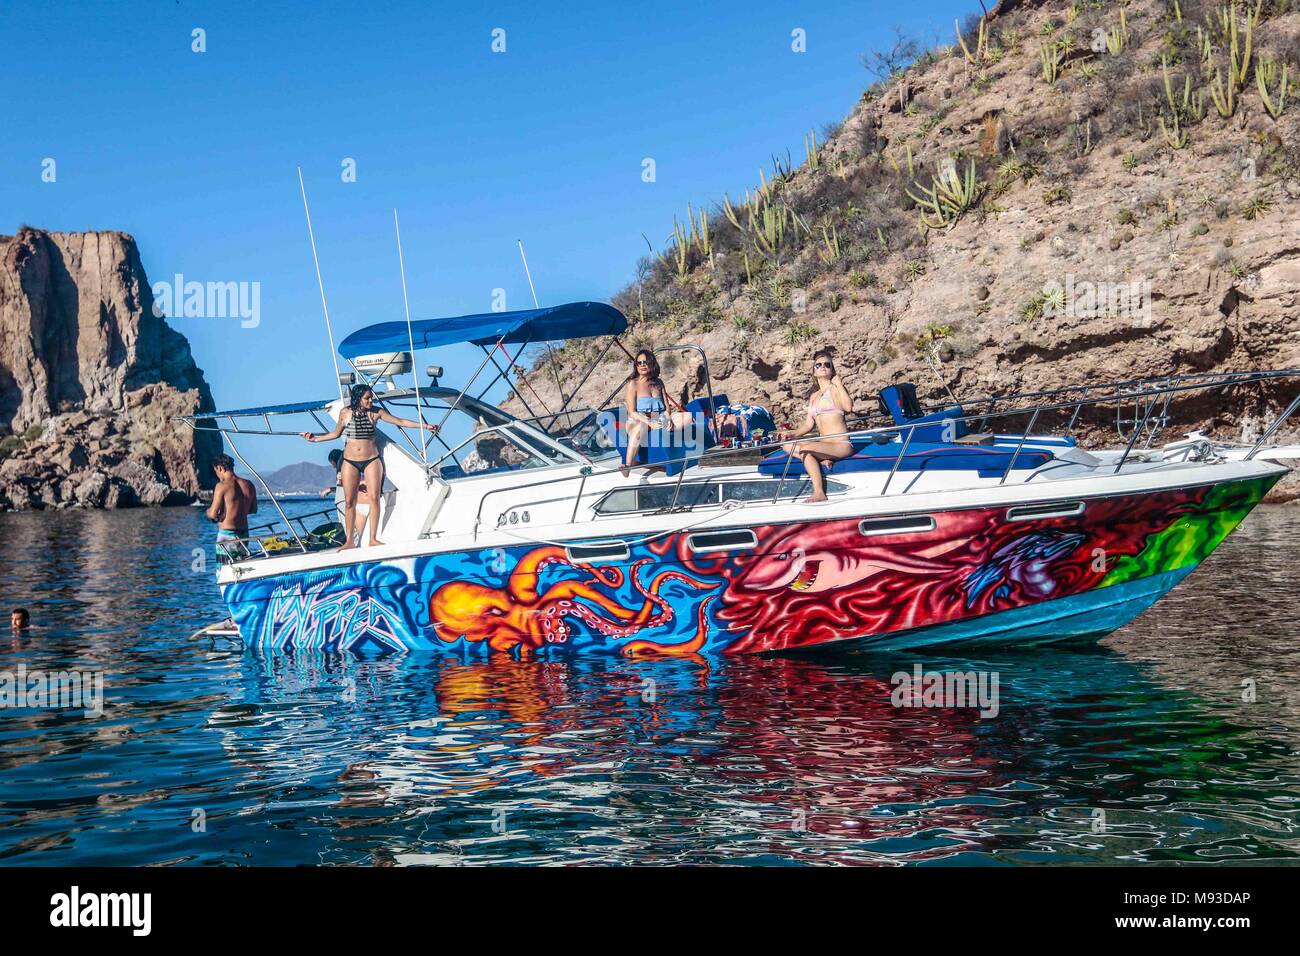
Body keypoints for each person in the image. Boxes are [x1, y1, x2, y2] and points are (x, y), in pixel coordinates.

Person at [301, 383, 438, 550]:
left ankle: (373, 539)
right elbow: (335, 434)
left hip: (372, 459)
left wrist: (425, 426)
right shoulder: (345, 413)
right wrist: (315, 439)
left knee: (374, 498)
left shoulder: (376, 412)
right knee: (350, 501)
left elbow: (400, 421)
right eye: (367, 398)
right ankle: (349, 541)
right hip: (350, 461)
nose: (370, 400)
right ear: (358, 399)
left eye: (371, 397)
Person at [777, 350, 854, 503]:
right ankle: (821, 459)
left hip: (840, 445)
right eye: (819, 365)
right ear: (814, 371)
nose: (823, 367)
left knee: (805, 449)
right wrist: (792, 434)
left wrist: (839, 384)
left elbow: (848, 407)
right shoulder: (814, 396)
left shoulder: (835, 389)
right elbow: (808, 424)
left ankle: (819, 492)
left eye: (827, 364)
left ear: (832, 369)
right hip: (825, 444)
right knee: (786, 445)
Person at [621, 350, 692, 477]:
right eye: (639, 363)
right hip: (639, 420)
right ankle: (627, 465)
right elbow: (632, 412)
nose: (642, 365)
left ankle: (669, 436)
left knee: (688, 416)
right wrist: (649, 422)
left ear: (652, 364)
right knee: (641, 426)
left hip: (659, 419)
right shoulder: (633, 384)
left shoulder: (658, 383)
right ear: (636, 366)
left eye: (645, 362)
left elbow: (666, 407)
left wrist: (668, 419)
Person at [207, 454, 258, 562]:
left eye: (215, 470)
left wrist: (208, 512)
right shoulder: (249, 484)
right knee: (241, 568)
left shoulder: (221, 486)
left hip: (226, 536)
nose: (216, 474)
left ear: (219, 468)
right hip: (244, 534)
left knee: (223, 571)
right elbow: (253, 509)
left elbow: (213, 514)